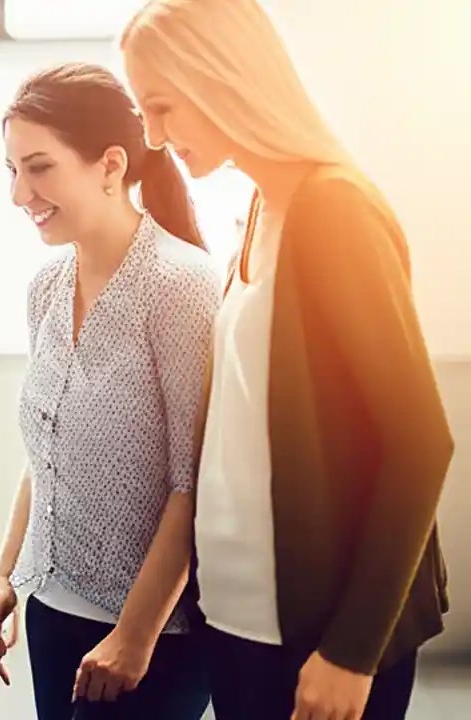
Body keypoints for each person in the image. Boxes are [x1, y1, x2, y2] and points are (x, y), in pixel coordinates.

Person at [120, 2, 455, 719]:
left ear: (223, 76)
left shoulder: (335, 211)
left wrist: (352, 651)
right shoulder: (257, 211)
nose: (152, 135)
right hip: (241, 621)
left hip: (317, 634)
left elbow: (420, 442)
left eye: (162, 107)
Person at [0, 62, 220, 719]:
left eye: (40, 167)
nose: (19, 193)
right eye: (11, 170)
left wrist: (135, 637)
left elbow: (190, 484)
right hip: (53, 615)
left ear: (111, 165)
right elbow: (44, 452)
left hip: (154, 636)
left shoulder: (179, 285)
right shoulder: (46, 288)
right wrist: (3, 577)